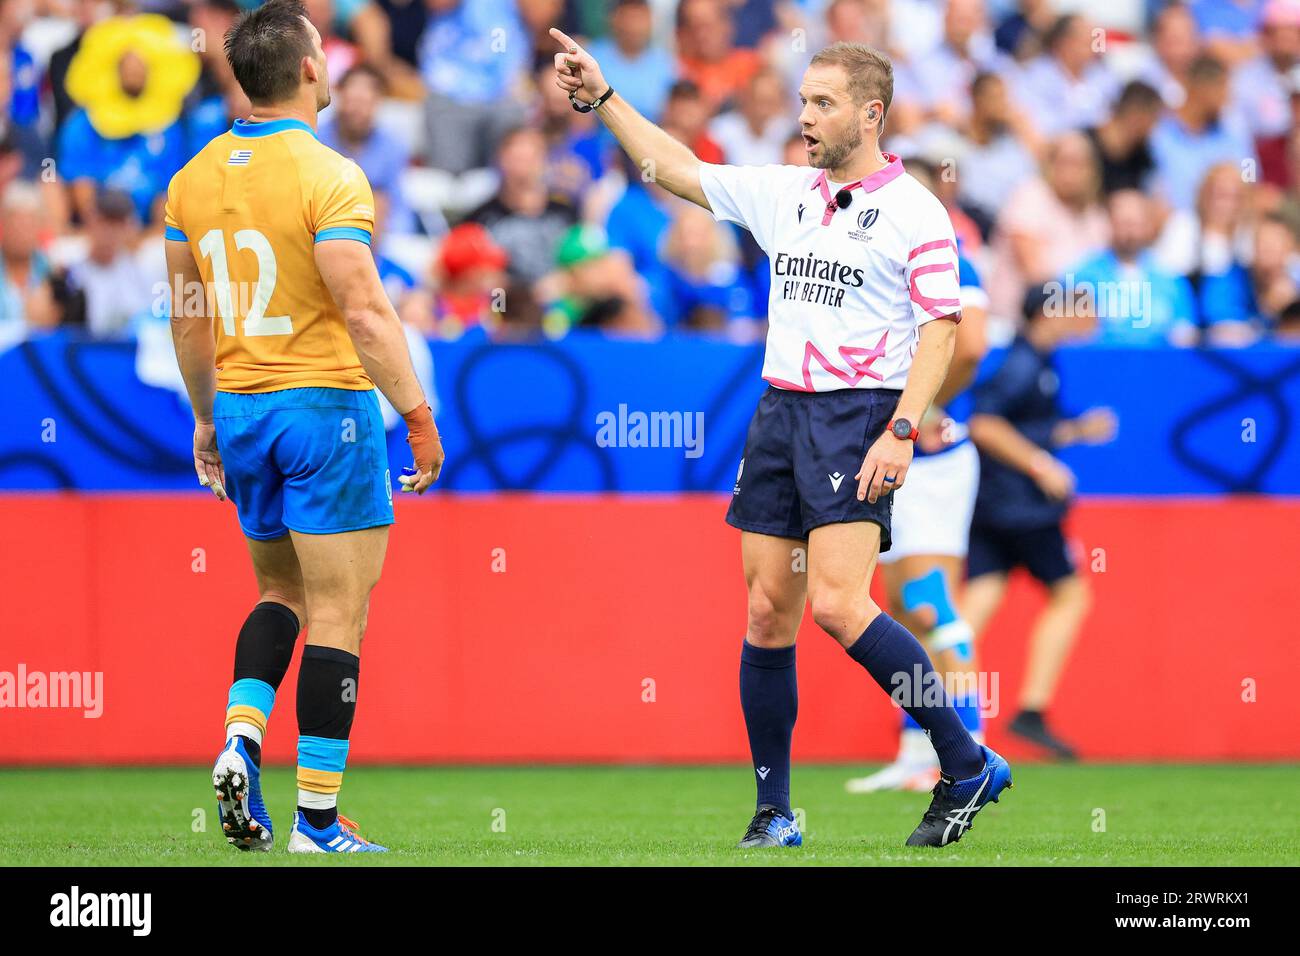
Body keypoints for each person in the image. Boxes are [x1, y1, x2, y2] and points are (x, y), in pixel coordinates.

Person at [552, 27, 1012, 849]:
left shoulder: (914, 211)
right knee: (768, 613)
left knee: (839, 606)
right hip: (780, 411)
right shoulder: (787, 191)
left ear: (871, 115)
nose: (805, 116)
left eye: (822, 103)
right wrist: (605, 97)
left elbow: (942, 330)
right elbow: (674, 169)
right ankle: (773, 812)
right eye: (803, 100)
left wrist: (903, 429)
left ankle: (963, 759)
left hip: (859, 413)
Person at [164, 0, 443, 855]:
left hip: (242, 410)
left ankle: (242, 739)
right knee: (339, 612)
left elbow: (186, 316)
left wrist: (207, 417)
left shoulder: (191, 180)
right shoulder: (331, 175)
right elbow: (364, 310)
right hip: (324, 407)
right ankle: (316, 822)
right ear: (311, 70)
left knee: (277, 594)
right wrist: (419, 418)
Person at [846, 163, 990, 795]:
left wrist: (925, 408)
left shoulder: (953, 253)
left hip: (931, 456)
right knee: (902, 607)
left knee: (932, 602)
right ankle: (917, 749)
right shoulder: (881, 251)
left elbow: (975, 344)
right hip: (898, 452)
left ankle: (973, 744)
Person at [964, 285, 1116, 760]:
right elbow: (985, 424)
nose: (1087, 317)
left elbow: (1022, 423)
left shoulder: (1037, 360)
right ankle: (1031, 709)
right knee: (1070, 594)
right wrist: (1040, 464)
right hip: (1020, 507)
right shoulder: (1024, 363)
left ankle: (928, 709)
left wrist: (1072, 430)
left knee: (982, 596)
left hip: (993, 502)